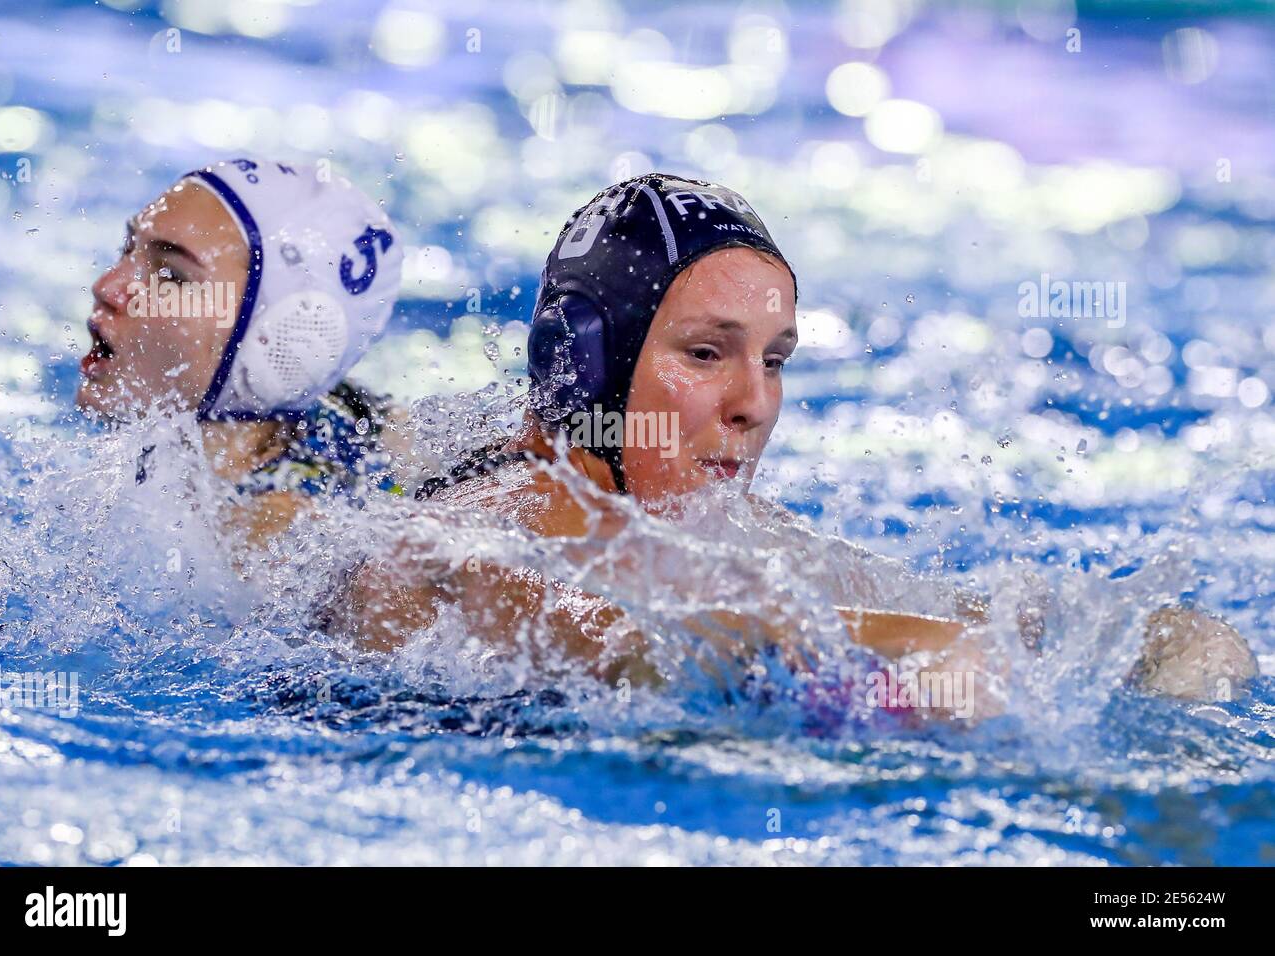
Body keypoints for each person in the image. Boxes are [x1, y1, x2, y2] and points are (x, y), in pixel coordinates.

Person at [333, 173, 1258, 712]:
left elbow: (997, 623)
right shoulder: (461, 547)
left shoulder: (742, 540)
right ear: (583, 368)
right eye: (707, 353)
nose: (754, 405)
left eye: (775, 361)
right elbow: (623, 641)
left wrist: (1146, 644)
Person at [77, 156, 412, 545]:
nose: (107, 287)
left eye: (170, 275)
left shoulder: (277, 536)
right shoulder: (360, 416)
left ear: (278, 337)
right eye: (128, 248)